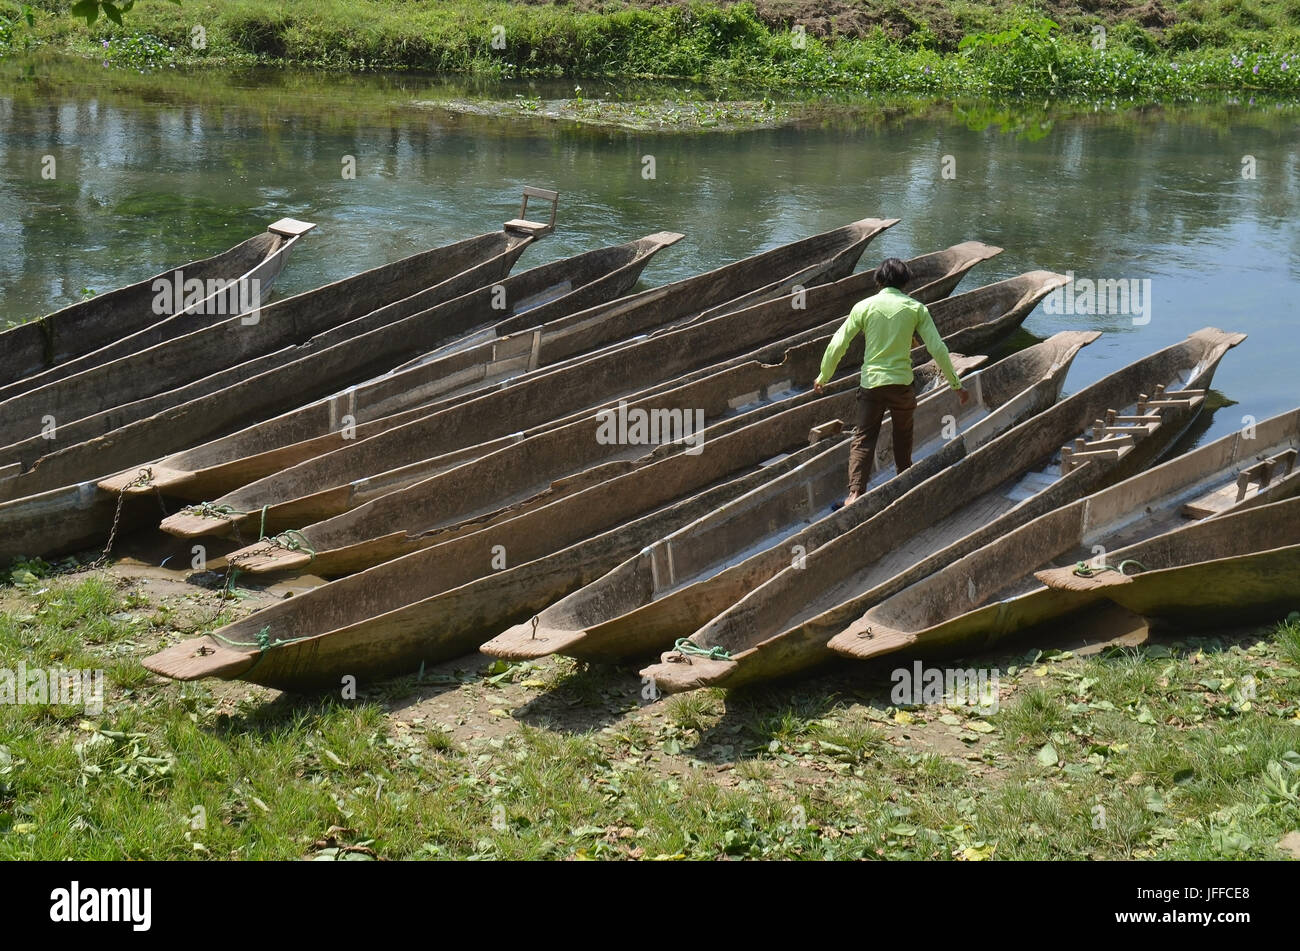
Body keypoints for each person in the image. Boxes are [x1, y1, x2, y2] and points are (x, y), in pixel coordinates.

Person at [813, 257, 969, 505]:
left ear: (879, 280)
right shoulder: (916, 309)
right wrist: (956, 385)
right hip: (901, 385)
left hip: (871, 385)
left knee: (863, 438)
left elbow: (838, 343)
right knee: (903, 433)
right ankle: (904, 476)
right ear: (904, 282)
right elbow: (938, 349)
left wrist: (824, 375)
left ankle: (854, 493)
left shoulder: (864, 307)